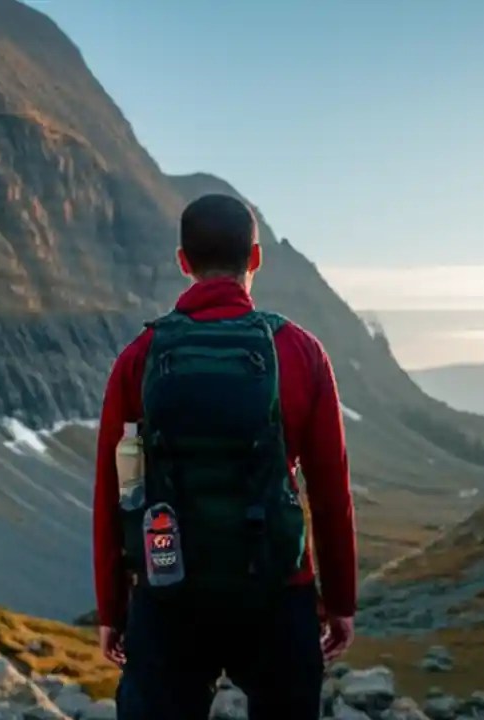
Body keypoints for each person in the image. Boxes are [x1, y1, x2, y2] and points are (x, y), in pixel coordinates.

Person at [92, 193, 358, 719]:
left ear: (183, 262)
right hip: (277, 589)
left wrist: (114, 610)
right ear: (255, 259)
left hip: (168, 590)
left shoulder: (138, 358)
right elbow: (330, 492)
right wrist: (340, 601)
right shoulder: (300, 352)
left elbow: (115, 489)